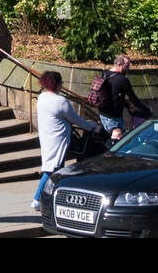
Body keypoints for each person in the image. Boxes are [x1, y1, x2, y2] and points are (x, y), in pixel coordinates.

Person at [33, 71, 101, 211]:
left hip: (47, 137)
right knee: (52, 169)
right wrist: (92, 126)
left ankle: (50, 198)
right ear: (57, 84)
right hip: (58, 140)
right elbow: (77, 121)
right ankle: (37, 198)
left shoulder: (42, 97)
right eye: (61, 83)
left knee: (54, 168)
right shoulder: (61, 102)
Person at [95, 55, 151, 139]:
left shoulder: (105, 74)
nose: (128, 68)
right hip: (113, 118)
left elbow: (113, 95)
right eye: (127, 66)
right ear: (119, 65)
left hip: (103, 114)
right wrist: (147, 110)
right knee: (117, 143)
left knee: (112, 141)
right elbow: (133, 98)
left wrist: (127, 105)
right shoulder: (123, 80)